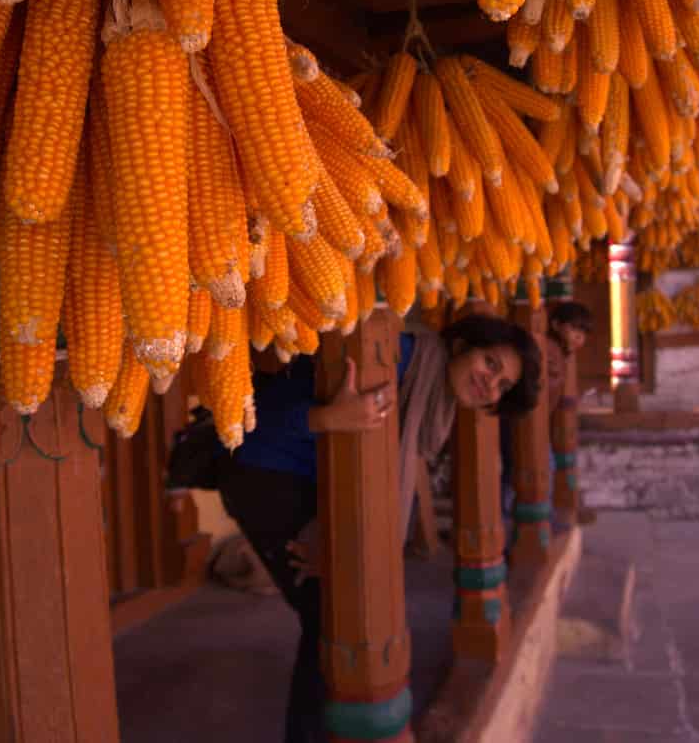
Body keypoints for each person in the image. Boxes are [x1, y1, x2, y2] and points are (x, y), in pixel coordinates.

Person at [215, 314, 542, 743]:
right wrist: (331, 418)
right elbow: (256, 429)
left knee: (332, 615)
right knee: (332, 617)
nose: (489, 385)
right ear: (462, 344)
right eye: (491, 364)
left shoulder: (435, 401)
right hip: (265, 473)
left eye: (500, 388)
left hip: (306, 482)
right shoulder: (401, 356)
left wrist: (338, 539)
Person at [500, 302, 594, 535]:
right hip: (522, 421)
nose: (579, 338)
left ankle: (532, 519)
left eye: (583, 334)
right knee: (520, 472)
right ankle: (514, 524)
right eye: (574, 330)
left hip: (532, 422)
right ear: (555, 325)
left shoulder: (560, 353)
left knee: (522, 470)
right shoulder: (548, 350)